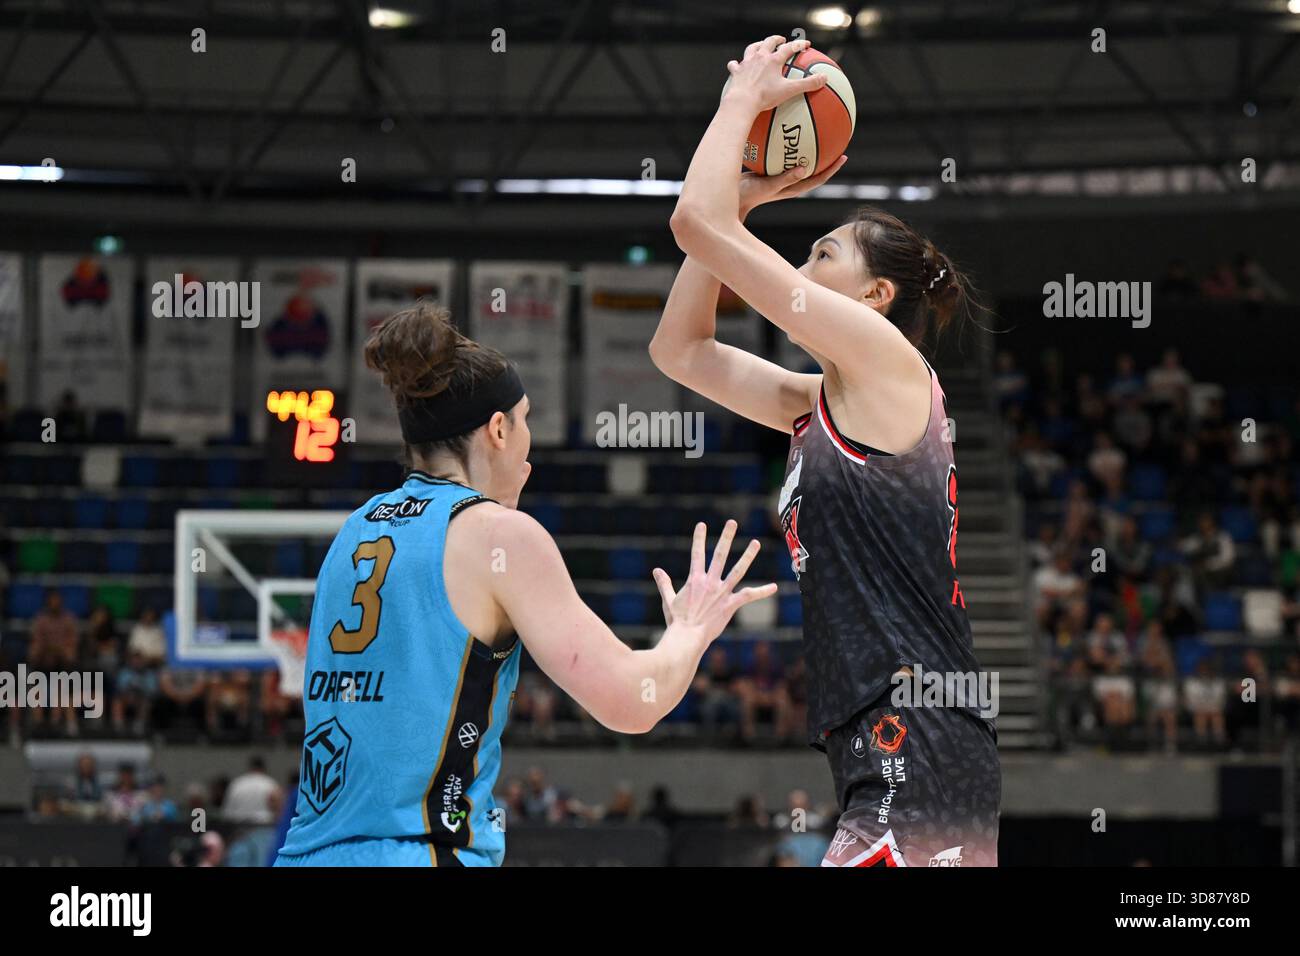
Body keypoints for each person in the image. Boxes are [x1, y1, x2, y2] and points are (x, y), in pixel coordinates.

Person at [653, 34, 1000, 866]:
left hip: (919, 735)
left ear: (877, 296)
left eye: (822, 255)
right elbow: (683, 353)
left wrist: (743, 105)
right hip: (880, 740)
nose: (801, 263)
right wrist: (738, 202)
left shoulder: (891, 364)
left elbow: (689, 223)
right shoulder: (823, 406)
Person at [276, 301, 775, 868]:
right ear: (496, 430)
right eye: (526, 419)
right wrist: (689, 629)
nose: (529, 444)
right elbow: (634, 702)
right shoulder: (500, 536)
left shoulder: (353, 531)